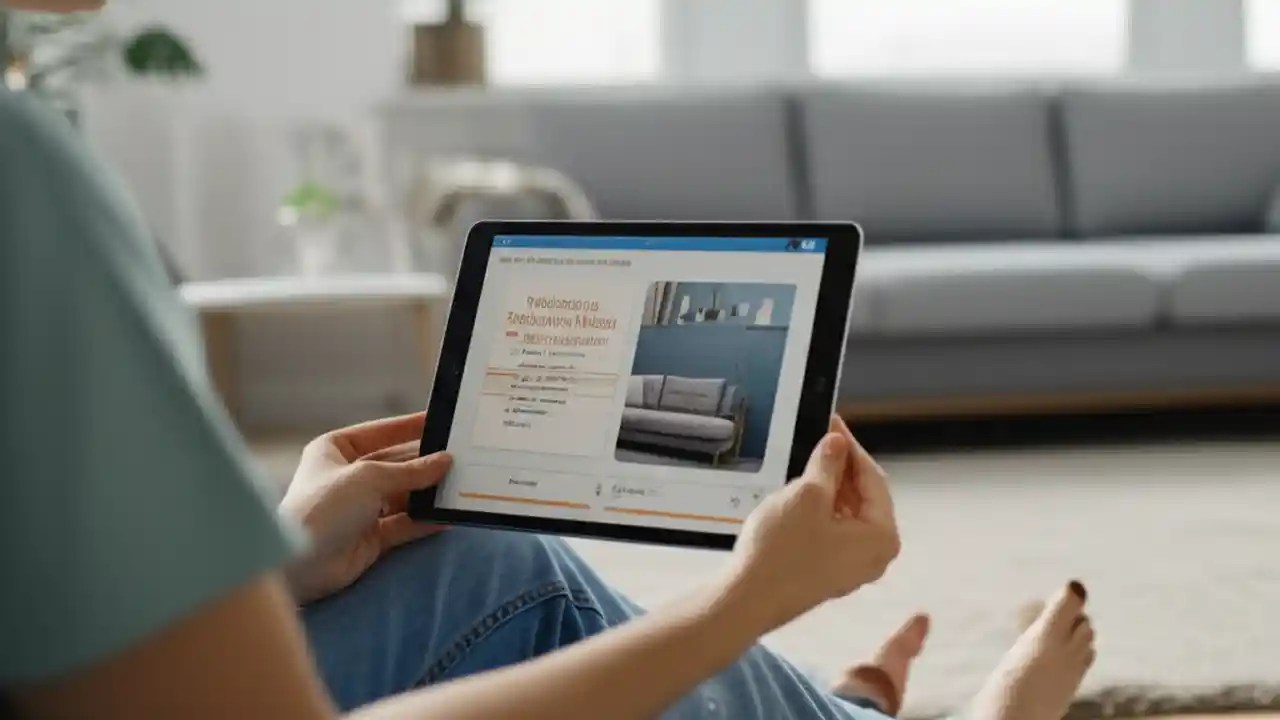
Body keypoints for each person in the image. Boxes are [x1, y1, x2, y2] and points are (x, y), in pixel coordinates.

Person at [0, 0, 1095, 716]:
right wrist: (744, 602)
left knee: (459, 556)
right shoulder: (22, 168)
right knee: (507, 580)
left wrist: (281, 561)